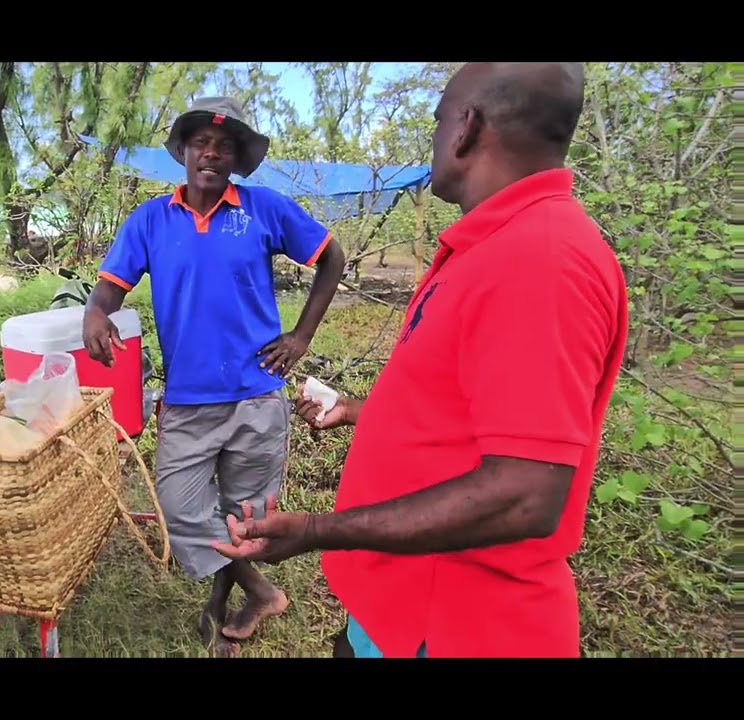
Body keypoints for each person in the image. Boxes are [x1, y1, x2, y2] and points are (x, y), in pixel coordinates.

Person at [212, 62, 630, 659]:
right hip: (399, 610)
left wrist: (316, 531)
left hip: (460, 625)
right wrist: (357, 410)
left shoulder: (542, 259)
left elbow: (524, 493)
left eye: (437, 120)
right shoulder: (490, 245)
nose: (433, 138)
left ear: (466, 127)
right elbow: (459, 407)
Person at [82, 97, 345, 656]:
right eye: (202, 143)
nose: (212, 153)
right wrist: (94, 312)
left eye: (224, 147)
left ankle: (222, 605)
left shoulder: (264, 209)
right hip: (188, 399)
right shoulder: (151, 220)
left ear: (236, 158)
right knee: (181, 509)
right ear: (183, 150)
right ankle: (262, 589)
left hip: (256, 397)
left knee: (243, 517)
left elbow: (332, 258)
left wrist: (301, 338)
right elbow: (110, 287)